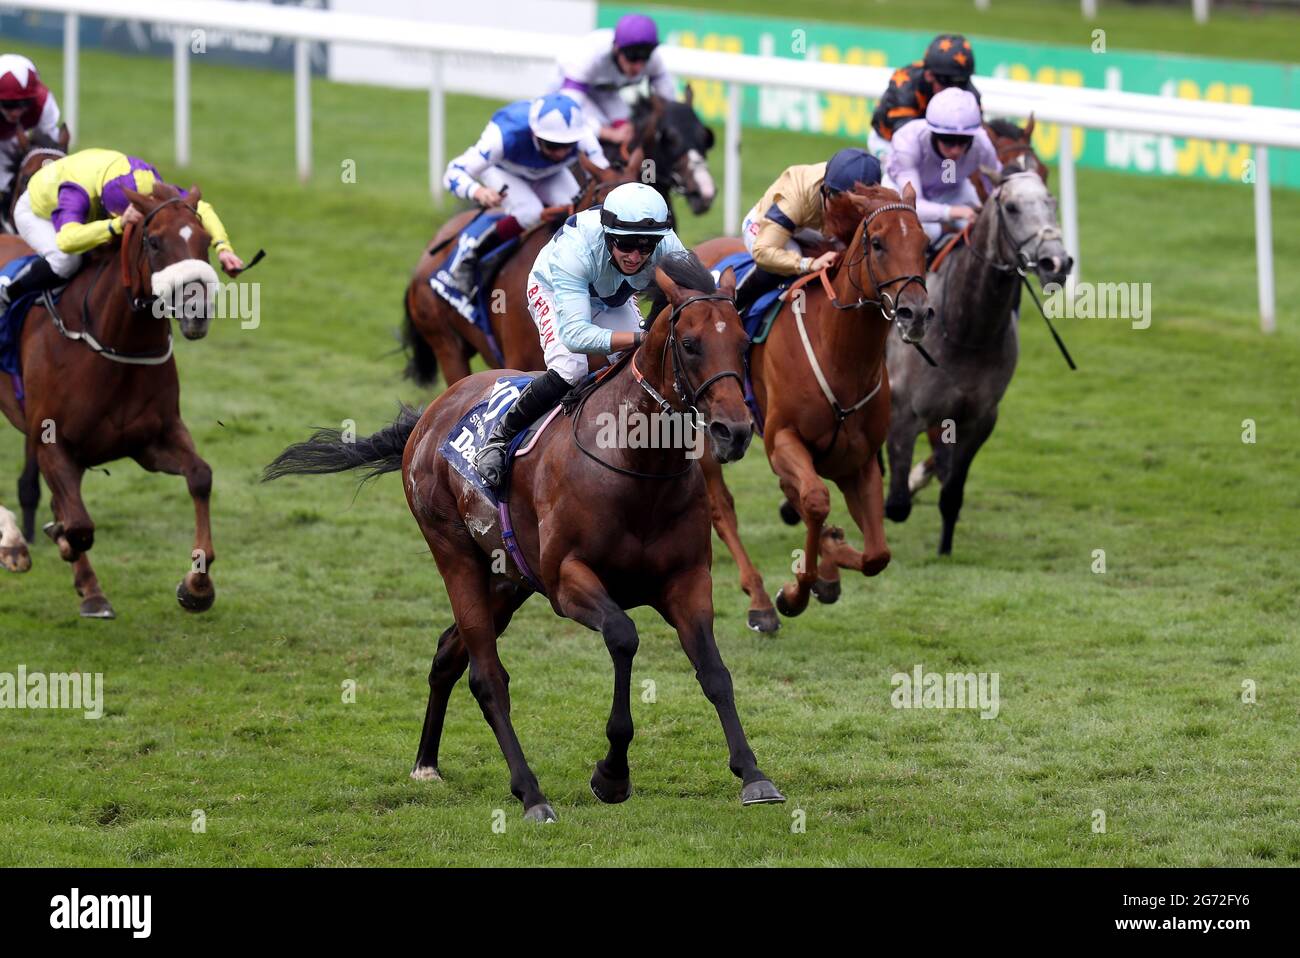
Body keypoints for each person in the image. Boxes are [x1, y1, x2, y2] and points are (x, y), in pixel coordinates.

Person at [473, 181, 686, 488]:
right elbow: (576, 336)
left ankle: (645, 438)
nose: (635, 256)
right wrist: (643, 338)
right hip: (554, 289)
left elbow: (689, 289)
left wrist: (654, 327)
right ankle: (499, 438)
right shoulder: (577, 250)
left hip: (611, 295)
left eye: (645, 246)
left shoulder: (665, 242)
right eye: (625, 245)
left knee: (642, 363)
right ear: (608, 234)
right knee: (570, 369)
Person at [0, 148, 243, 308]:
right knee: (66, 261)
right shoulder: (75, 192)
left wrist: (223, 248)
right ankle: (8, 291)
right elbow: (67, 239)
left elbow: (201, 207)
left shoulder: (150, 185)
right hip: (36, 211)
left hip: (97, 190)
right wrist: (117, 223)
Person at [441, 93, 608, 295]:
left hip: (550, 174)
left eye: (568, 146)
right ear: (534, 134)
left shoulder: (583, 135)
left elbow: (605, 176)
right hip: (503, 170)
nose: (561, 154)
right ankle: (470, 259)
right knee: (530, 211)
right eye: (553, 145)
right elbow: (453, 172)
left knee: (579, 216)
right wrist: (479, 191)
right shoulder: (503, 137)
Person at [733, 147, 881, 315]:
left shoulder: (858, 190)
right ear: (826, 190)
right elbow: (763, 251)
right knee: (790, 259)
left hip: (816, 226)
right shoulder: (795, 198)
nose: (843, 214)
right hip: (765, 225)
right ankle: (734, 303)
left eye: (855, 207)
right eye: (837, 202)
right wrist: (808, 264)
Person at [883, 88, 998, 245]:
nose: (956, 150)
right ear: (934, 134)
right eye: (948, 140)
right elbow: (913, 205)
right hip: (901, 192)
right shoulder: (907, 141)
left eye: (964, 141)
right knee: (929, 231)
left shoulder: (982, 144)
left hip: (950, 187)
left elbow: (998, 188)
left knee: (984, 232)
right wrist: (952, 213)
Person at [554, 13, 677, 145]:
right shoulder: (590, 55)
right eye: (632, 57)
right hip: (566, 90)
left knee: (629, 129)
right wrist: (606, 133)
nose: (638, 67)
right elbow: (569, 109)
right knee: (595, 130)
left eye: (645, 58)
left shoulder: (653, 60)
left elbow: (668, 101)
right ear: (617, 48)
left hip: (607, 92)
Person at [868, 33, 980, 161]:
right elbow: (906, 137)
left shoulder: (969, 92)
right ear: (929, 75)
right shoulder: (905, 85)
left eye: (961, 82)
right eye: (947, 82)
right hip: (889, 141)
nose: (954, 89)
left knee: (950, 175)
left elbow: (976, 134)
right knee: (907, 170)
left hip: (942, 144)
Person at [0, 54, 64, 207]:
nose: (16, 112)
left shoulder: (44, 102)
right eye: (9, 104)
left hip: (11, 137)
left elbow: (51, 149)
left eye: (25, 103)